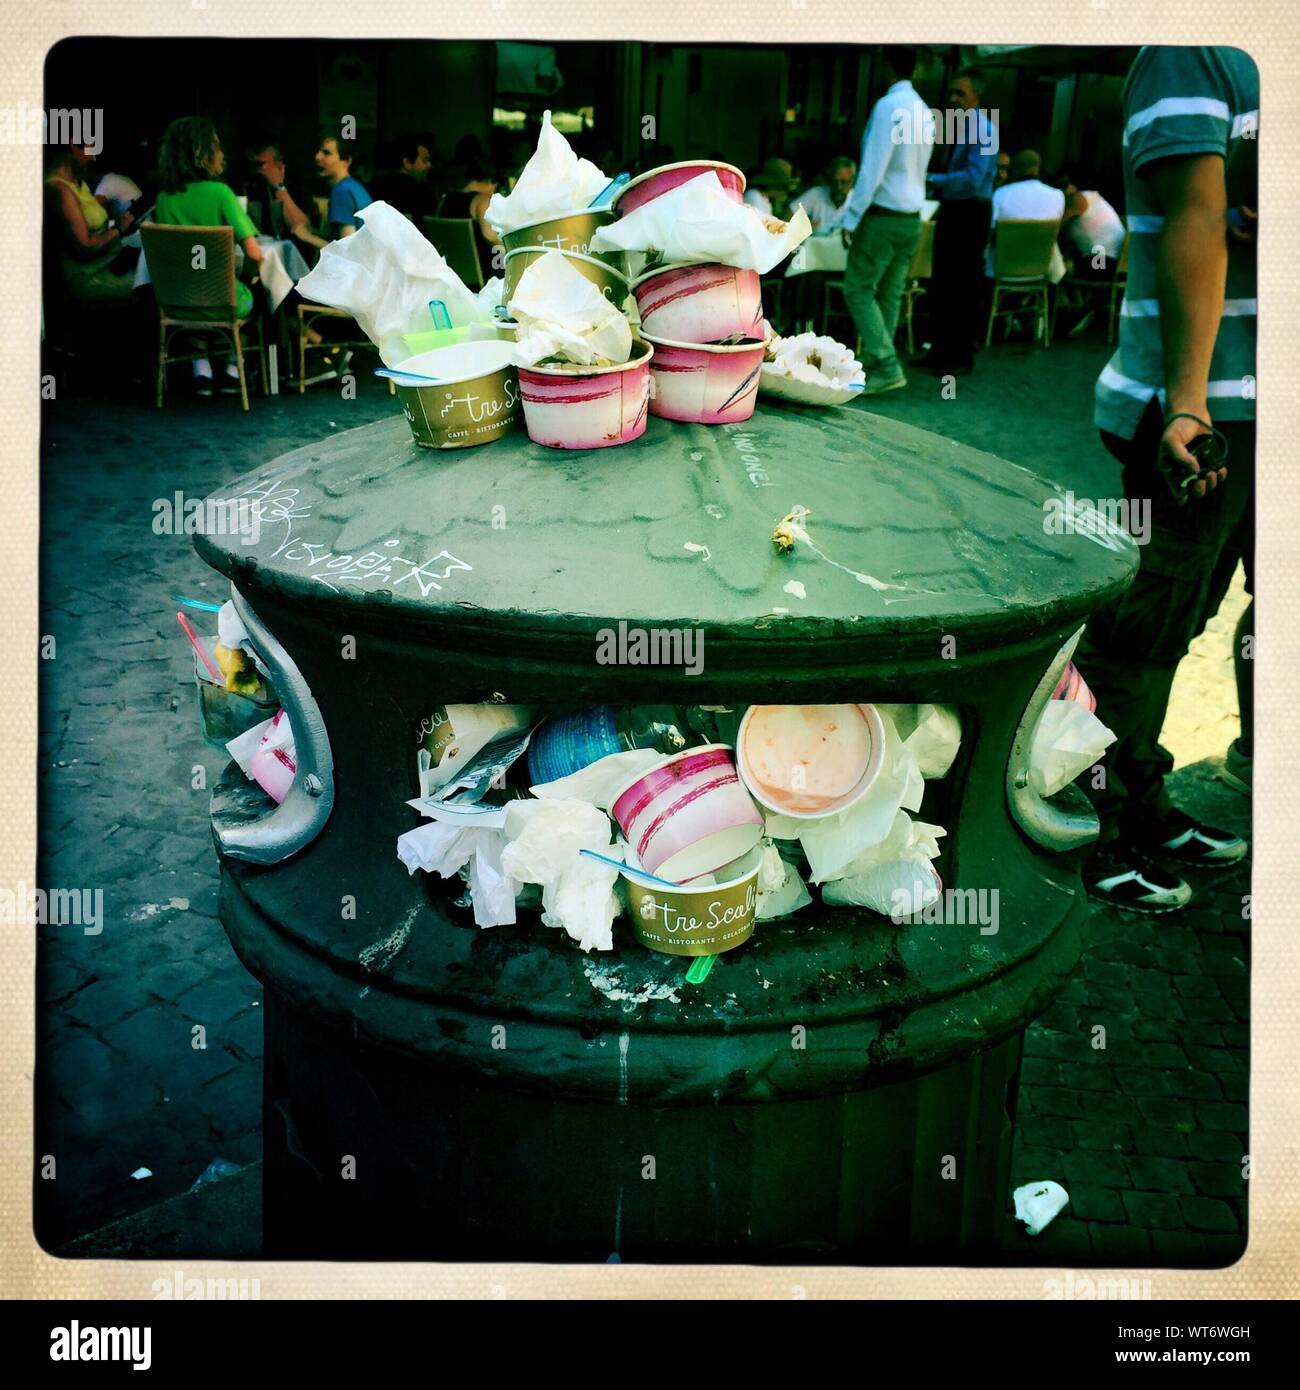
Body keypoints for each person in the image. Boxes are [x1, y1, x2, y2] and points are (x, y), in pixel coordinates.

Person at [1079, 45, 1256, 912]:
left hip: (1256, 399)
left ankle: (1142, 799)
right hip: (1206, 410)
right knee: (1144, 630)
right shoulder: (1195, 48)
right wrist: (1187, 404)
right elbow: (1195, 214)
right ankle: (1093, 820)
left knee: (1187, 620)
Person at [818, 46, 934, 395]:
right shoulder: (924, 111)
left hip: (883, 216)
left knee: (857, 289)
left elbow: (872, 169)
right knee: (890, 293)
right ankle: (878, 361)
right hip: (911, 217)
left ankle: (885, 362)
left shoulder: (889, 107)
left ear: (886, 67)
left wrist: (851, 218)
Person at [153, 117, 266, 394]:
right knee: (259, 294)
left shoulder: (164, 198)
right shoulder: (220, 193)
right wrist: (249, 279)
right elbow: (254, 253)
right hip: (222, 302)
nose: (222, 153)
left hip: (177, 301)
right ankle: (231, 368)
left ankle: (200, 368)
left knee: (199, 288)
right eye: (217, 146)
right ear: (205, 152)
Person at [917, 66, 998, 375]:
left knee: (962, 284)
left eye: (959, 93)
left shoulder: (985, 130)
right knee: (943, 282)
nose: (952, 99)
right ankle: (940, 351)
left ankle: (959, 356)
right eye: (951, 92)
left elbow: (975, 179)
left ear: (976, 95)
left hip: (971, 212)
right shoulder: (958, 127)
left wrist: (933, 179)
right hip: (954, 209)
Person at [44, 142, 138, 302]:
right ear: (73, 146)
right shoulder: (60, 189)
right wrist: (119, 229)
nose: (94, 158)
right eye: (91, 150)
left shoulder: (79, 183)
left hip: (110, 260)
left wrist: (119, 223)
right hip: (89, 274)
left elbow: (93, 224)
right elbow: (86, 247)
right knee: (152, 283)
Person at [983, 148, 1066, 280]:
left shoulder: (1001, 194)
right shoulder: (1058, 195)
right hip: (1041, 272)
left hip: (1003, 271)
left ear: (1014, 170)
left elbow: (990, 234)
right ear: (1038, 168)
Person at [245, 140, 324, 250]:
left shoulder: (295, 187)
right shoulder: (249, 187)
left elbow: (302, 229)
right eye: (252, 165)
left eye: (261, 164)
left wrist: (279, 187)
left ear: (279, 163)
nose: (256, 170)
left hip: (292, 252)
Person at [437, 160, 501, 281]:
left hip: (450, 274)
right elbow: (490, 237)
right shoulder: (481, 200)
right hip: (483, 276)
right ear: (490, 181)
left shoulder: (444, 200)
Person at [367, 134, 439, 220]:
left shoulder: (372, 187)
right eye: (425, 160)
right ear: (407, 162)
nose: (429, 165)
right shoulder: (421, 193)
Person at [315, 133, 371, 238]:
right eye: (318, 152)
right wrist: (313, 232)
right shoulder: (355, 187)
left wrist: (307, 237)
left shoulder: (342, 191)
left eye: (326, 153)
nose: (317, 157)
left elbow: (346, 250)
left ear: (346, 161)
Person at [792, 156, 857, 231]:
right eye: (834, 181)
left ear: (852, 181)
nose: (839, 187)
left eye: (844, 182)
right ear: (829, 179)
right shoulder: (816, 193)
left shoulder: (858, 201)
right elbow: (785, 219)